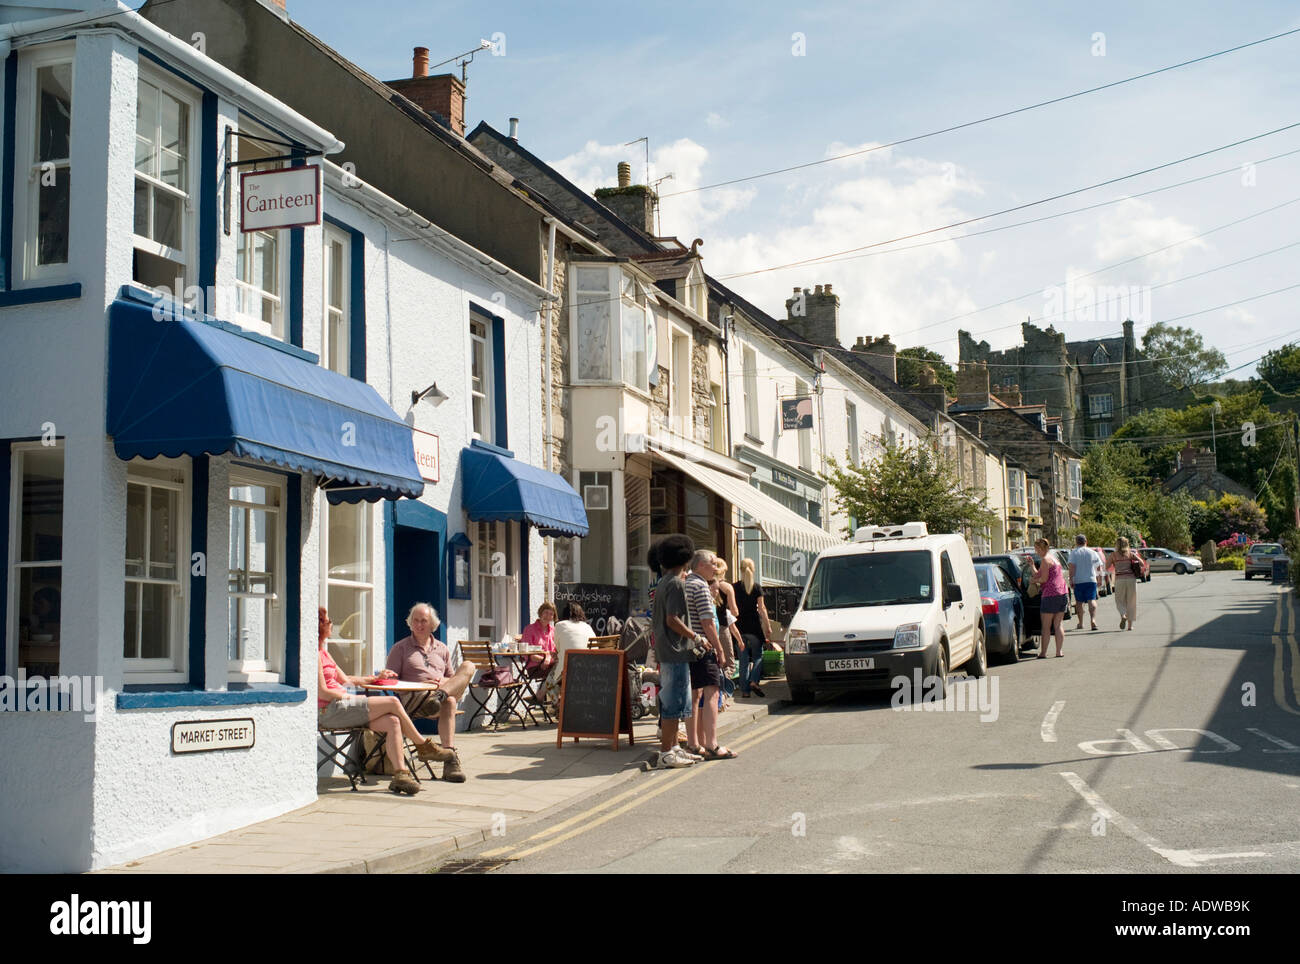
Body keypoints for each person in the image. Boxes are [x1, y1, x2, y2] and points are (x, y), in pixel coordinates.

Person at [318, 608, 444, 795]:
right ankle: (422, 745)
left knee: (393, 721)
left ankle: (400, 775)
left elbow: (347, 680)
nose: (331, 625)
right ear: (319, 626)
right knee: (392, 701)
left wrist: (375, 678)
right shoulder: (313, 654)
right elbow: (322, 691)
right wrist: (350, 697)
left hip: (344, 707)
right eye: (328, 622)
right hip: (330, 711)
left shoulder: (325, 653)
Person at [385, 603, 478, 783]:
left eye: (424, 621)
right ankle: (450, 759)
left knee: (468, 666)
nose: (419, 625)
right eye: (416, 621)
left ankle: (439, 697)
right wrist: (420, 684)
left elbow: (453, 678)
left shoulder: (442, 648)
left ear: (432, 624)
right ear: (410, 623)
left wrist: (442, 683)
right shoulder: (400, 648)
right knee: (450, 702)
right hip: (414, 698)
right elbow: (391, 682)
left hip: (437, 697)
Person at [649, 534, 702, 768]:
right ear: (686, 558)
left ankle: (674, 748)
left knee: (678, 702)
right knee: (673, 704)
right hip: (675, 650)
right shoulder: (677, 584)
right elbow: (672, 620)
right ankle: (666, 754)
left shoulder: (663, 582)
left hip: (666, 649)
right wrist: (696, 637)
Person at [683, 550, 737, 760]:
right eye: (712, 564)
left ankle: (694, 744)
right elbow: (707, 622)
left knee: (694, 696)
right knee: (712, 692)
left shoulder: (684, 583)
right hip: (703, 649)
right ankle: (712, 744)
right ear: (700, 566)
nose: (715, 568)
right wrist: (720, 649)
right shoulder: (701, 587)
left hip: (686, 649)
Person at [732, 558, 775, 698]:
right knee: (758, 656)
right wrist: (768, 626)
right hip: (754, 628)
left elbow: (731, 610)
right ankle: (754, 681)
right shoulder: (756, 587)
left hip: (739, 628)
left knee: (743, 661)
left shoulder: (734, 587)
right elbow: (762, 609)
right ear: (753, 569)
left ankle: (745, 691)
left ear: (740, 569)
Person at [545, 603, 596, 709]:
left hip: (569, 669)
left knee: (549, 682)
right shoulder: (587, 626)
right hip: (591, 669)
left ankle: (560, 705)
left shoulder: (559, 625)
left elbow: (558, 648)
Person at [1031, 539, 1068, 658]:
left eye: (1036, 549)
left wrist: (1034, 581)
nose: (1036, 552)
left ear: (1041, 549)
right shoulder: (1054, 558)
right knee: (1058, 624)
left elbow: (1043, 579)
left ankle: (1043, 652)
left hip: (1050, 594)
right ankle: (1059, 651)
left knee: (1046, 626)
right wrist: (1032, 565)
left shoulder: (1045, 560)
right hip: (1062, 592)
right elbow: (1039, 574)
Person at [1108, 537, 1147, 630]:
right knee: (1131, 602)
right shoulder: (1130, 554)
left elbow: (1107, 565)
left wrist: (1115, 564)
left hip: (1120, 580)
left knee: (1119, 600)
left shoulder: (1114, 555)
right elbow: (1142, 563)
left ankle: (1123, 614)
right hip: (1131, 579)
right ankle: (1130, 626)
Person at [518, 601, 558, 679]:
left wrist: (548, 659)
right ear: (540, 613)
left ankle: (544, 691)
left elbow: (556, 652)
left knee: (565, 672)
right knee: (560, 674)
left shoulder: (554, 631)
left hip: (551, 665)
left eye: (551, 614)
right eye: (546, 612)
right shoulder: (529, 629)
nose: (548, 616)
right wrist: (543, 660)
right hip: (535, 667)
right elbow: (530, 655)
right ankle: (544, 691)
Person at [1068, 534, 1100, 632]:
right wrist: (1100, 579)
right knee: (1092, 600)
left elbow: (1072, 567)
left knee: (1079, 602)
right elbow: (1098, 566)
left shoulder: (1074, 553)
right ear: (1086, 541)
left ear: (1076, 542)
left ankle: (1081, 623)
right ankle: (1093, 620)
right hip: (1091, 579)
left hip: (1079, 580)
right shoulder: (1092, 552)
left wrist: (1071, 579)